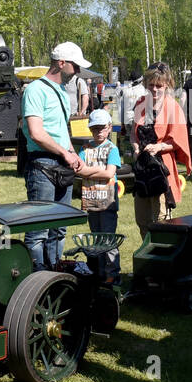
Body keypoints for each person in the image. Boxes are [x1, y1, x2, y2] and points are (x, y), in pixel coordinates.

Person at [22, 42, 89, 270]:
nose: (78, 71)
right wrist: (65, 153)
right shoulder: (35, 90)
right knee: (39, 228)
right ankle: (35, 279)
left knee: (59, 227)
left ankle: (54, 272)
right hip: (42, 165)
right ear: (61, 63)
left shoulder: (61, 91)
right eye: (75, 66)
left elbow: (61, 131)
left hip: (61, 163)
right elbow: (36, 133)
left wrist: (71, 152)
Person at [130, 61, 192, 237]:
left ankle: (161, 260)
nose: (155, 89)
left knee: (161, 220)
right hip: (142, 170)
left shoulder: (173, 107)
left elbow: (179, 141)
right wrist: (136, 149)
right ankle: (146, 258)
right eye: (151, 85)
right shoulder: (140, 103)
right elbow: (133, 134)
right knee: (142, 220)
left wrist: (158, 147)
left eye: (159, 86)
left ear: (167, 85)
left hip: (161, 170)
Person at [78, 108, 122, 284]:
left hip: (107, 201)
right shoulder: (85, 148)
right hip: (90, 201)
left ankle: (112, 274)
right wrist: (98, 170)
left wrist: (90, 171)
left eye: (102, 128)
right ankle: (100, 273)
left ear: (109, 127)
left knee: (108, 239)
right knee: (96, 239)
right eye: (94, 128)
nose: (98, 132)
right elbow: (80, 170)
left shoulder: (112, 149)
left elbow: (109, 173)